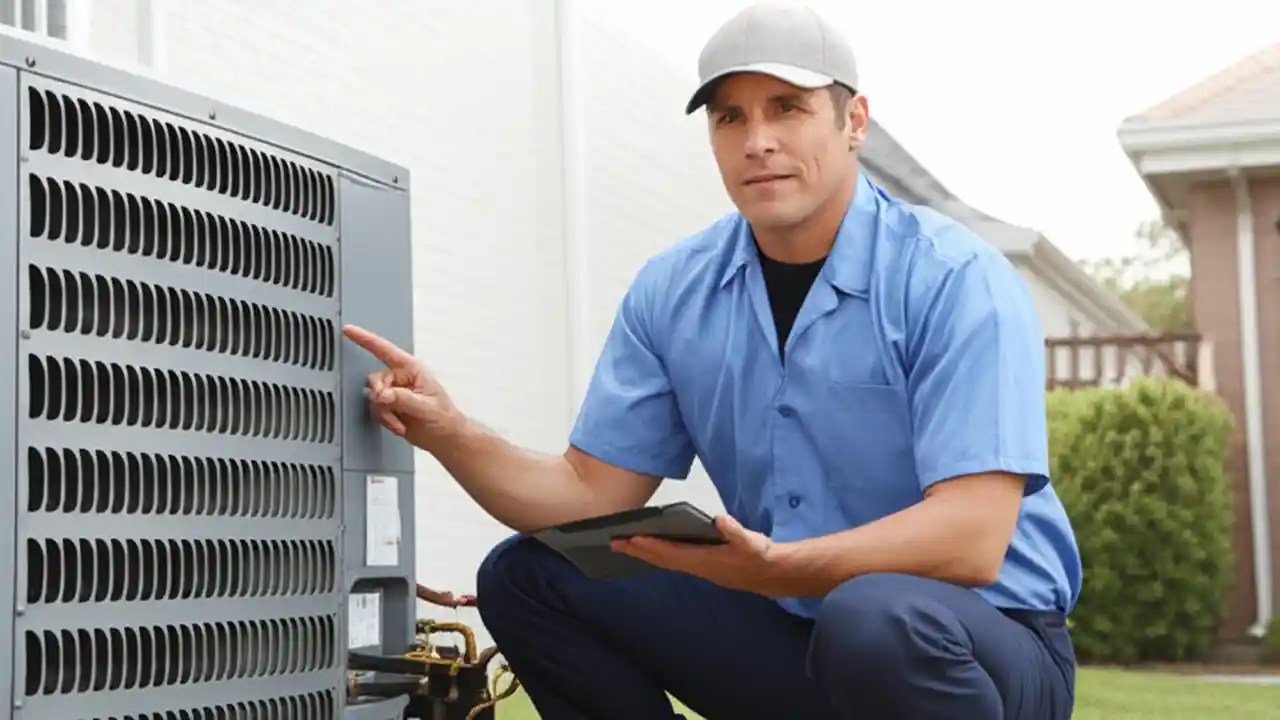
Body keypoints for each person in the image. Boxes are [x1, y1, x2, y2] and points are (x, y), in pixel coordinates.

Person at [344, 2, 1081, 718]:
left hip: (982, 645)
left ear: (853, 121)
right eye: (731, 116)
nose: (757, 139)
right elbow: (587, 494)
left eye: (787, 107)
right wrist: (449, 433)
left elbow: (973, 538)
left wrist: (780, 566)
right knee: (531, 575)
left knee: (872, 616)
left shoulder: (955, 277)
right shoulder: (675, 291)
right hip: (796, 624)